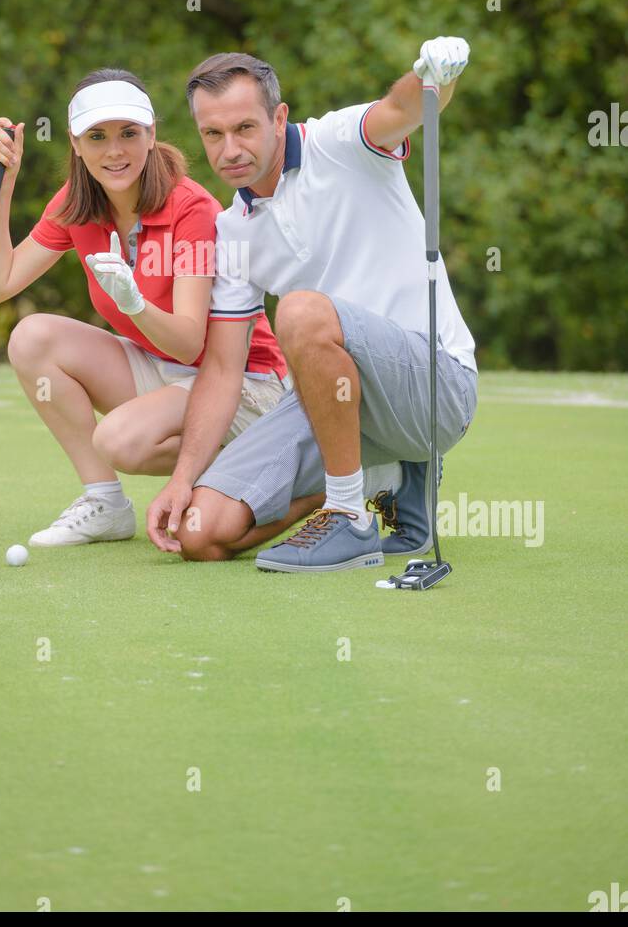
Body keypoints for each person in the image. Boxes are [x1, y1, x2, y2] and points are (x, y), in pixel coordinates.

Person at [146, 38, 478, 572]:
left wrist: (436, 73)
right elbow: (225, 368)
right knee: (201, 534)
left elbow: (405, 108)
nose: (229, 149)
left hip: (434, 390)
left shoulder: (338, 140)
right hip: (335, 410)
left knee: (299, 311)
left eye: (244, 128)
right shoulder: (231, 232)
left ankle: (349, 515)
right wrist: (183, 479)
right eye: (213, 133)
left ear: (278, 118)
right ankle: (384, 480)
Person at [0, 68, 289, 547]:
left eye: (128, 134)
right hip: (164, 371)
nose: (114, 151)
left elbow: (189, 342)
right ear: (76, 144)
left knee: (119, 439)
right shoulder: (77, 203)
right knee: (31, 337)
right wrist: (2, 188)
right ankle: (105, 503)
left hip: (243, 384)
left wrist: (134, 302)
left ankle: (265, 460)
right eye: (97, 137)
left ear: (151, 135)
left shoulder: (190, 207)